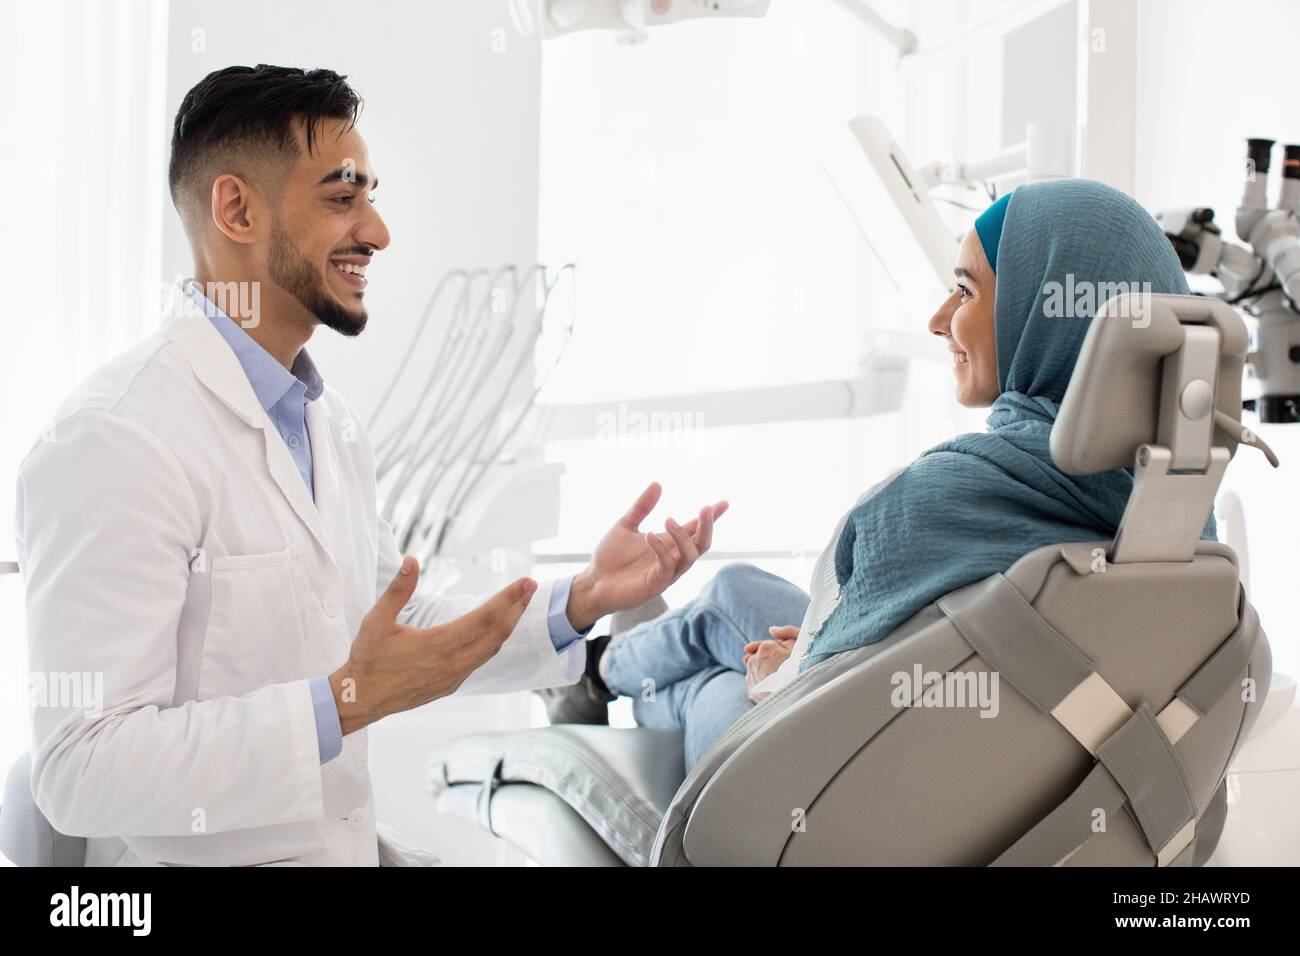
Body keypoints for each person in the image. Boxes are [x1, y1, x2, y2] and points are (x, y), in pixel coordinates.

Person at [14, 64, 727, 866]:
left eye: (372, 197)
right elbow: (82, 769)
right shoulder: (115, 439)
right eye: (342, 198)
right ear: (238, 210)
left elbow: (395, 623)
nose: (378, 232)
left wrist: (581, 599)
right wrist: (344, 704)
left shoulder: (327, 423)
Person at [542, 178, 1213, 774]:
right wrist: (821, 654)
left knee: (713, 673)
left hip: (825, 790)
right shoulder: (1181, 518)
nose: (938, 321)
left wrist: (792, 673)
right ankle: (610, 666)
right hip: (1008, 776)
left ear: (1041, 311)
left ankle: (602, 673)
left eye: (965, 291)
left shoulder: (943, 500)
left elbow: (819, 690)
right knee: (735, 591)